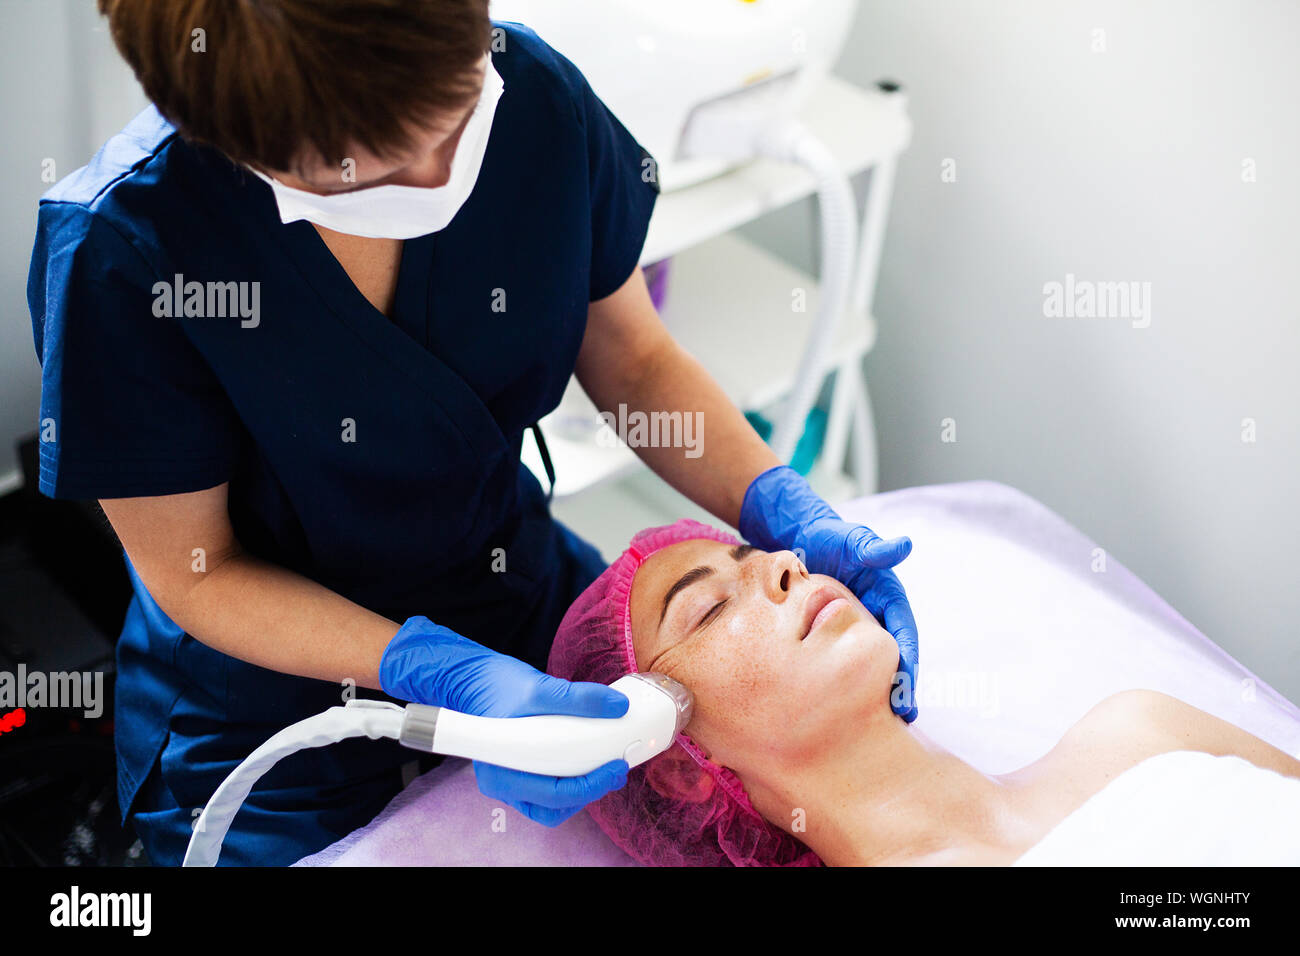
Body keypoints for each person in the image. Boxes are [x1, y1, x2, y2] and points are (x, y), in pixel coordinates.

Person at [28, 1, 919, 865]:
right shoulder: (126, 247)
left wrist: (776, 499)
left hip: (519, 592)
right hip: (271, 710)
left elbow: (635, 363)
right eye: (368, 169)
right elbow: (201, 573)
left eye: (456, 113)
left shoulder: (532, 95)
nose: (438, 177)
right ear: (242, 143)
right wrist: (433, 671)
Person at [549, 519, 1300, 866]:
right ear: (680, 763)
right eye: (709, 608)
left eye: (759, 554)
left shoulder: (1141, 733)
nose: (785, 564)